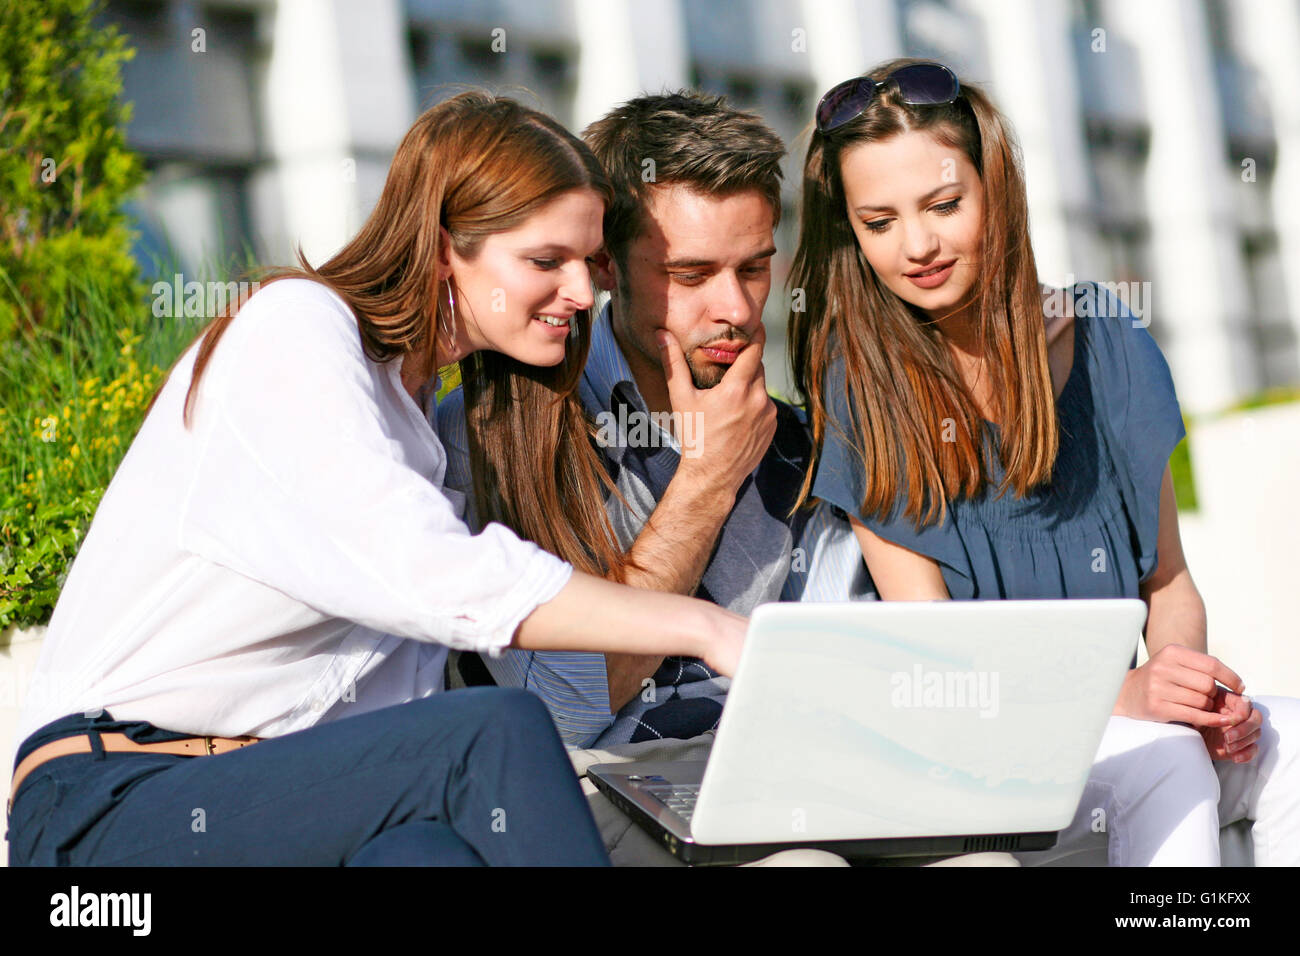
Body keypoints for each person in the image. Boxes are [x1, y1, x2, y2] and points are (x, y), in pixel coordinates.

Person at [5, 91, 748, 867]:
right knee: (494, 732)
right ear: (440, 249)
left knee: (425, 857)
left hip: (280, 798)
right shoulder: (295, 330)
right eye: (544, 260)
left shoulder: (420, 421)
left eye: (586, 261)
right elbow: (435, 575)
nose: (578, 291)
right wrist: (705, 628)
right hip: (111, 809)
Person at [789, 58, 1300, 865]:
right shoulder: (863, 389)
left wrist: (1184, 685)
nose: (916, 245)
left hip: (1124, 736)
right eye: (878, 223)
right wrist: (1123, 702)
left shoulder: (1108, 343)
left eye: (944, 205)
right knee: (1163, 759)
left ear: (997, 189)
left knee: (1290, 744)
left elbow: (1167, 582)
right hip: (984, 763)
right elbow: (940, 669)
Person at [439, 90, 868, 750]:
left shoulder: (803, 442)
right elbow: (563, 709)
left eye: (753, 268)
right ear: (604, 263)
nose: (735, 308)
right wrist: (706, 482)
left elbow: (844, 679)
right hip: (598, 805)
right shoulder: (495, 435)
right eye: (690, 274)